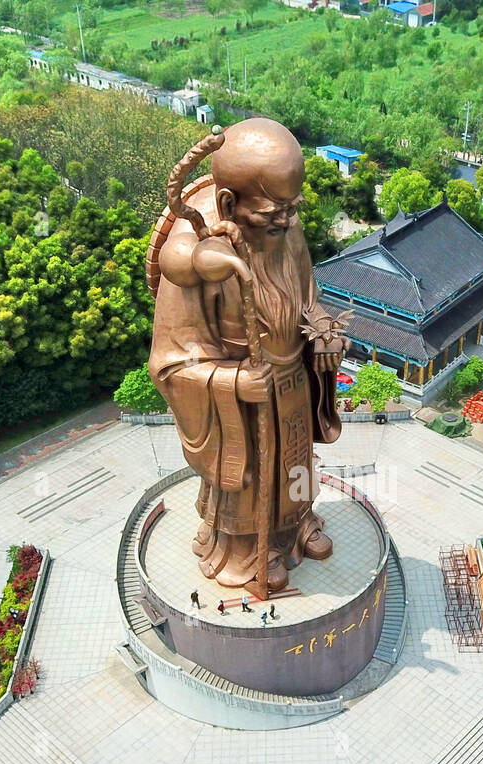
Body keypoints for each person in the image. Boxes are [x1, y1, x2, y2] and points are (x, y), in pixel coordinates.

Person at [148, 118, 349, 592]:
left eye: (293, 208)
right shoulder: (198, 258)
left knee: (296, 460)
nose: (286, 221)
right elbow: (171, 363)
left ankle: (297, 524)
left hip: (292, 380)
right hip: (241, 398)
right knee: (254, 474)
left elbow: (308, 296)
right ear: (227, 204)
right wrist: (234, 383)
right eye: (272, 212)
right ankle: (245, 548)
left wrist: (321, 332)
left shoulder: (287, 230)